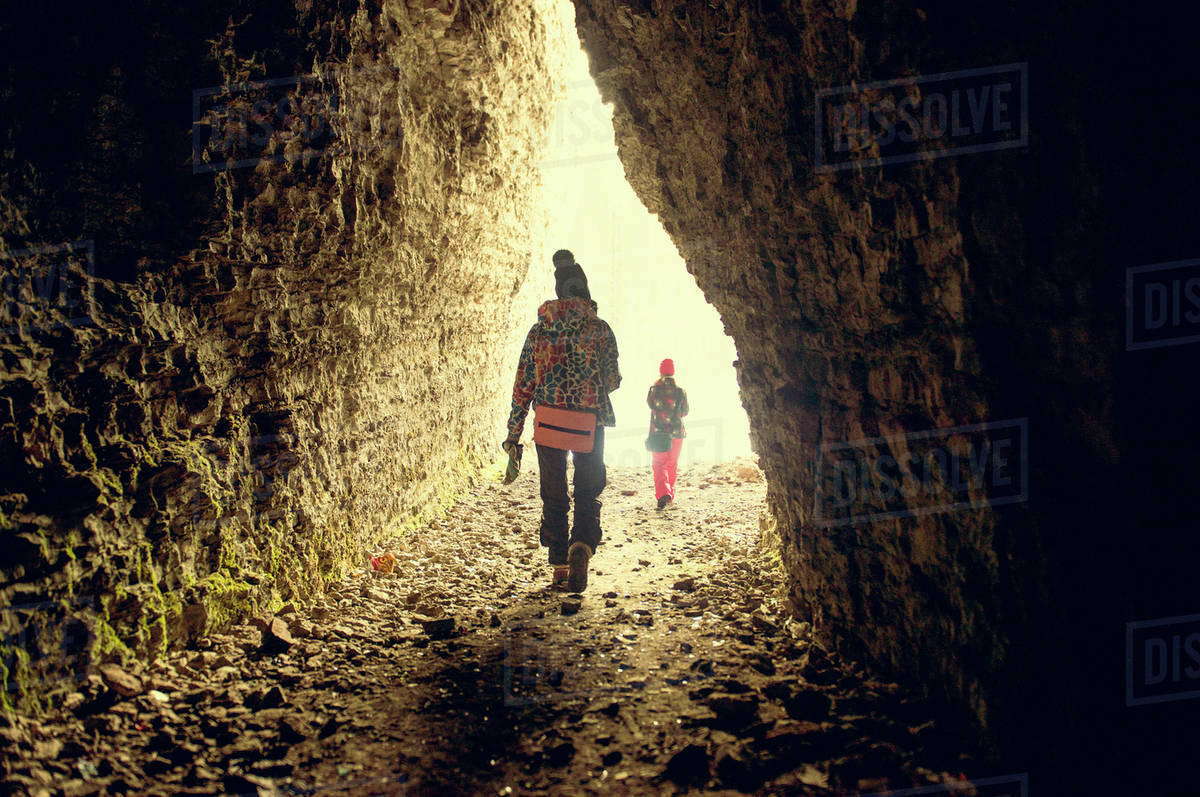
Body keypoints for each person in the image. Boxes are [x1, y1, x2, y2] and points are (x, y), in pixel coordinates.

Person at [503, 250, 621, 592]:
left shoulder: (539, 332)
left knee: (554, 495)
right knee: (588, 489)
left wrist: (513, 433)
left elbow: (523, 384)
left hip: (549, 424)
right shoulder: (600, 329)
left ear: (558, 292)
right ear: (584, 289)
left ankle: (558, 566)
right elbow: (611, 379)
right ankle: (581, 544)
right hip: (588, 423)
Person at [647, 358, 688, 510]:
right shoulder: (680, 391)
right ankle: (669, 492)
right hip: (677, 432)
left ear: (661, 371)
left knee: (659, 463)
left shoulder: (654, 390)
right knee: (672, 463)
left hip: (658, 432)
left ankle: (663, 493)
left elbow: (650, 405)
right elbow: (685, 411)